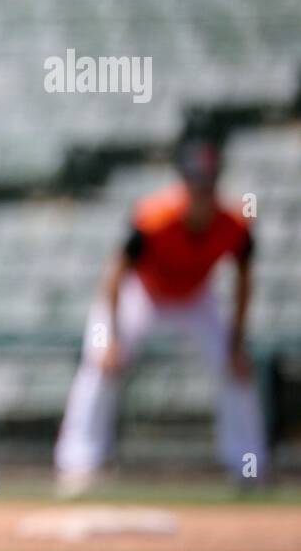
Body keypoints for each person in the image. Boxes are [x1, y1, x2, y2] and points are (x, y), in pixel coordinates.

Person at [54, 139, 268, 495]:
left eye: (208, 185)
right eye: (196, 184)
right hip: (143, 294)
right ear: (184, 183)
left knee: (236, 369)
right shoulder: (155, 217)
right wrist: (111, 336)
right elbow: (116, 274)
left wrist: (236, 343)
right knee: (100, 362)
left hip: (197, 298)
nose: (202, 193)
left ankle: (249, 467)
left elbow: (244, 283)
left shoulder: (234, 223)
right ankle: (78, 465)